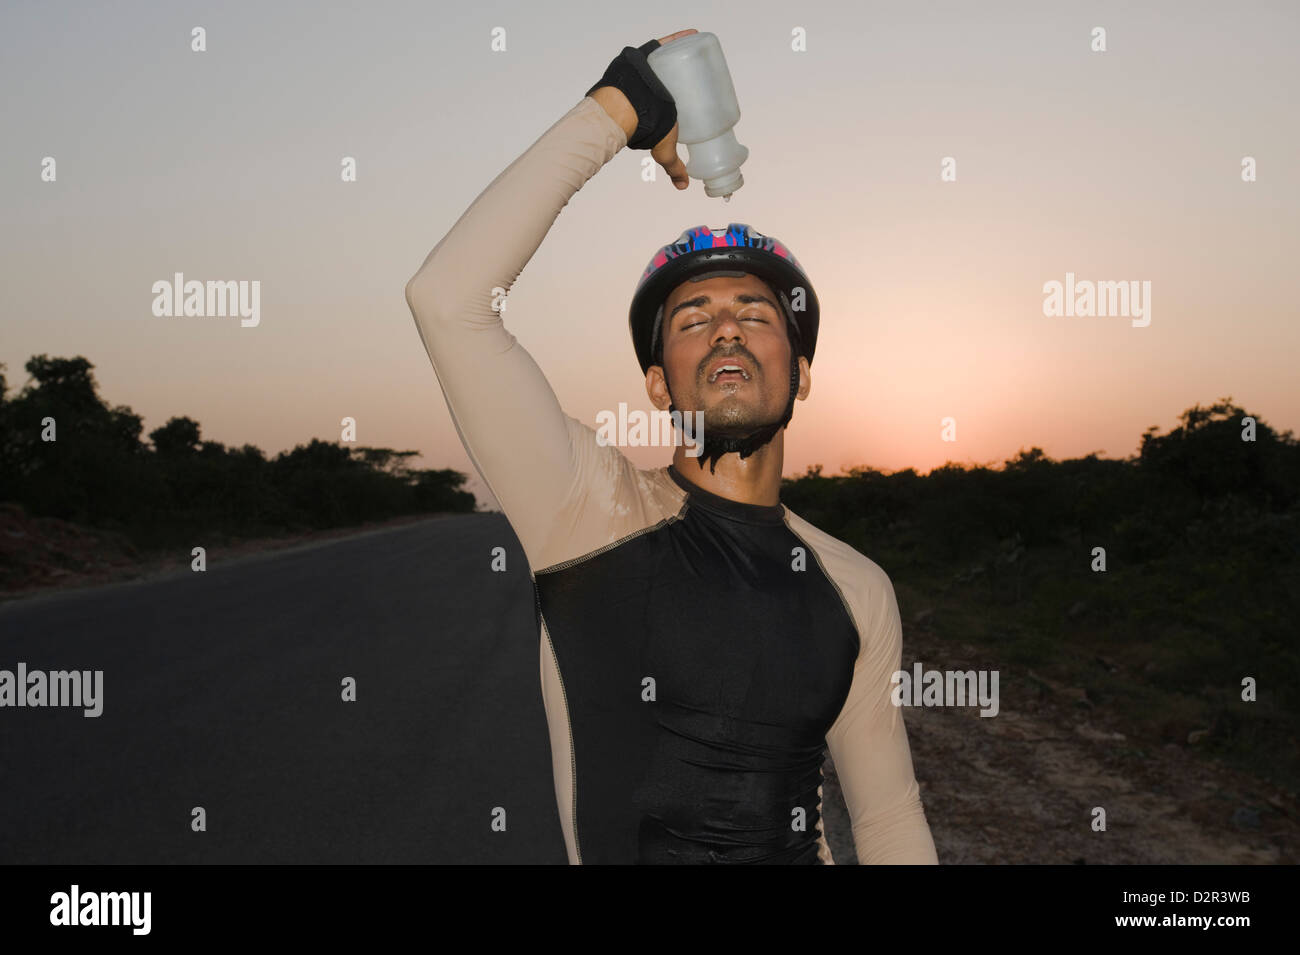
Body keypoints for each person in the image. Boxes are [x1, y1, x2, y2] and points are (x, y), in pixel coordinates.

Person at [404, 28, 938, 864]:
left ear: (799, 374)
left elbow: (887, 821)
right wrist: (622, 105)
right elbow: (447, 299)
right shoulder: (587, 508)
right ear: (658, 385)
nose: (727, 328)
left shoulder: (857, 588)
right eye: (694, 320)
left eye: (756, 314)